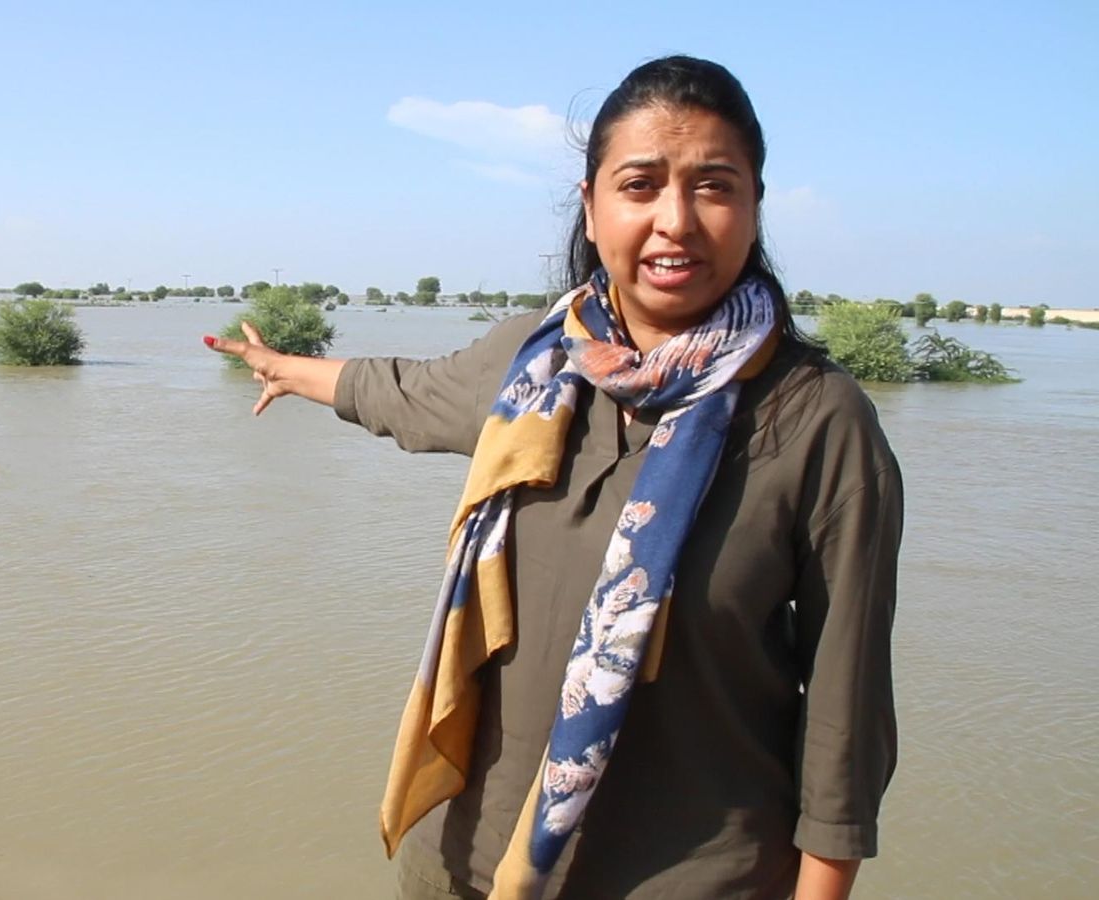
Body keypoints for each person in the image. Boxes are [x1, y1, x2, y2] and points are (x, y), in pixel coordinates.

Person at [207, 55, 900, 900]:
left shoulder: (818, 420)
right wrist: (285, 367)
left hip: (692, 879)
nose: (675, 220)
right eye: (640, 185)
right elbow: (402, 392)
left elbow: (845, 713)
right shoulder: (531, 368)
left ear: (755, 204)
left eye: (714, 187)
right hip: (464, 860)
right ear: (592, 203)